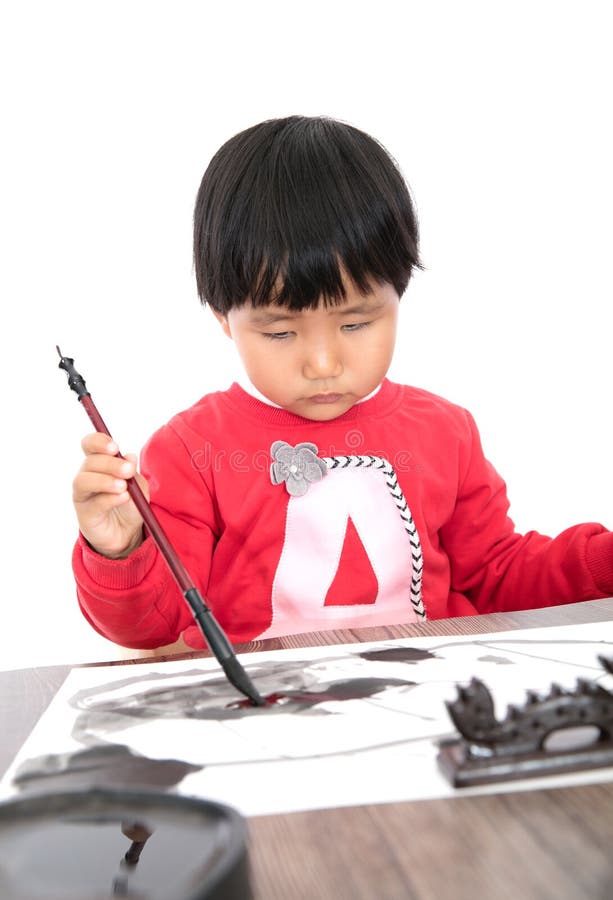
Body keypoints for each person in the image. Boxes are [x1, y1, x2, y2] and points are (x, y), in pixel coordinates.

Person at [71, 116, 613, 651]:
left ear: (399, 295)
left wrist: (599, 563)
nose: (324, 362)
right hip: (268, 720)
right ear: (222, 316)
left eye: (356, 323)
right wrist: (120, 551)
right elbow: (152, 626)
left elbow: (497, 576)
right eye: (280, 331)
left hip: (428, 703)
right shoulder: (192, 451)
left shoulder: (446, 432)